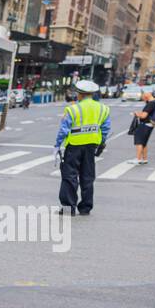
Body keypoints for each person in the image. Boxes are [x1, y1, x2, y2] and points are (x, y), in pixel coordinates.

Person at [55, 79, 110, 216]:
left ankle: (69, 208)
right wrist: (101, 142)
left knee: (69, 176)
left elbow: (64, 130)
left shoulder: (73, 109)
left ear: (80, 94)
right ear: (92, 94)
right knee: (88, 176)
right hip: (91, 146)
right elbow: (105, 128)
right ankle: (85, 208)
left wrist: (57, 145)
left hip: (74, 147)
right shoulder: (103, 109)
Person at [131, 88, 155, 165]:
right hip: (150, 124)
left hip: (144, 125)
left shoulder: (150, 104)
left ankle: (138, 159)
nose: (142, 97)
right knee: (144, 142)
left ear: (147, 95)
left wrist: (136, 113)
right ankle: (144, 158)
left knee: (139, 142)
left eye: (143, 95)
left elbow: (143, 116)